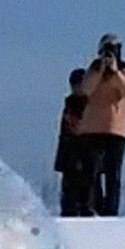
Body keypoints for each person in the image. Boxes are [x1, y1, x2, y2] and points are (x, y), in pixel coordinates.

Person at [77, 33, 125, 216]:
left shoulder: (124, 70)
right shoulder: (93, 69)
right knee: (91, 172)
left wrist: (114, 72)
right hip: (92, 129)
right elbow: (86, 90)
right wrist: (100, 71)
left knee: (113, 173)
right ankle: (90, 206)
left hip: (116, 129)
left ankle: (111, 210)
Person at [54, 68, 92, 217]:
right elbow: (64, 132)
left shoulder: (91, 104)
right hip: (69, 153)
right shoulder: (69, 104)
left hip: (86, 151)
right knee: (69, 188)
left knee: (87, 186)